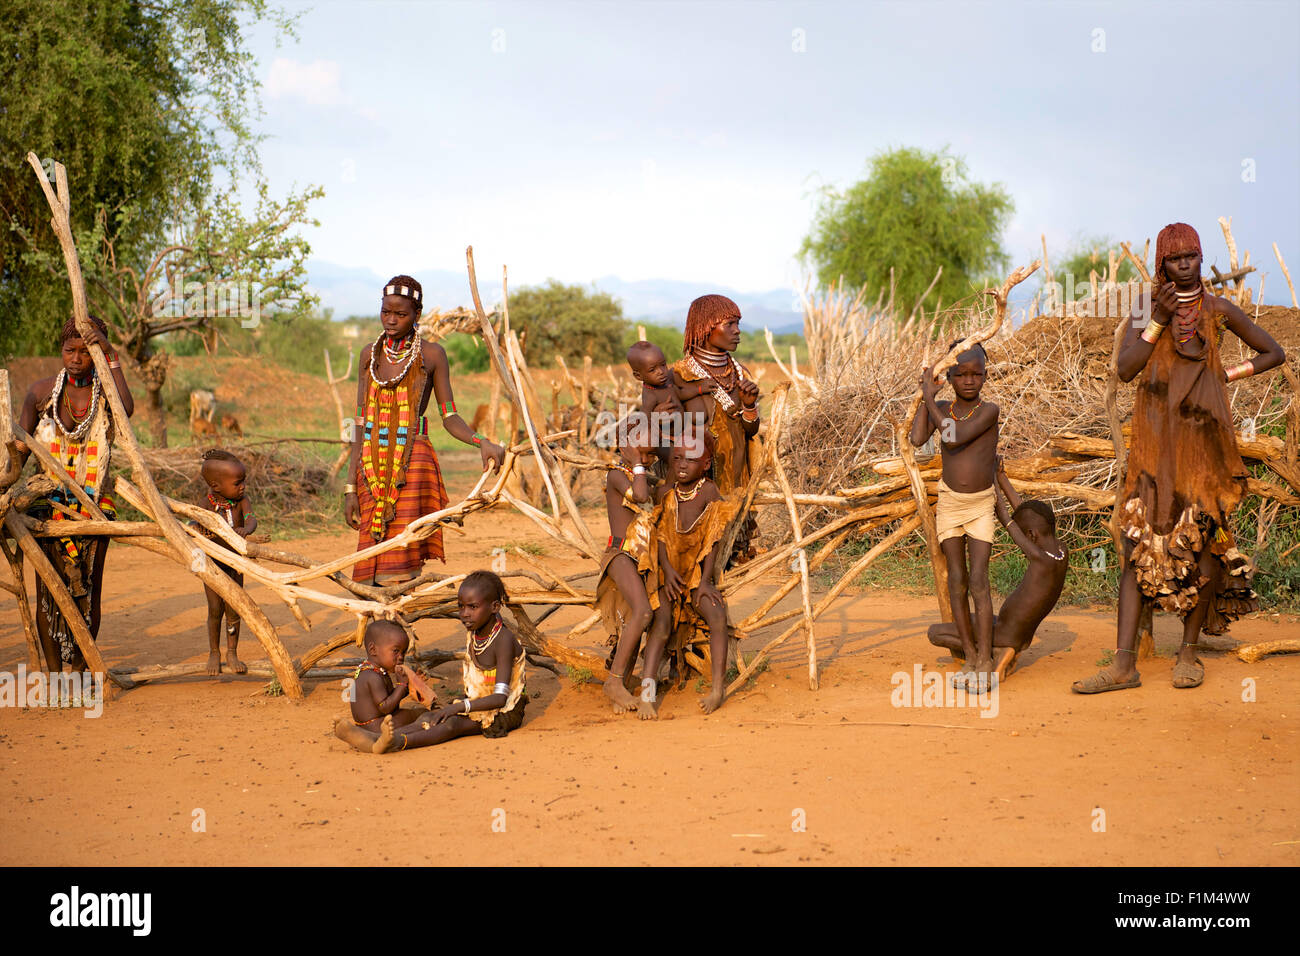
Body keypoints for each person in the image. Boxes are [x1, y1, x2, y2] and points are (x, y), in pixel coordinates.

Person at [1073, 223, 1285, 693]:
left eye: (1192, 256)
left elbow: (1275, 352)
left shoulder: (1218, 310)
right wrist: (1158, 321)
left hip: (1204, 445)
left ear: (1199, 258)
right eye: (1175, 258)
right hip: (1154, 446)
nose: (1185, 264)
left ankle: (1187, 654)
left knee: (1203, 547)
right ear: (1162, 266)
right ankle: (1123, 665)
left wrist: (1223, 375)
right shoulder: (1144, 312)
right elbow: (1126, 369)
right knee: (1135, 550)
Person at [343, 276, 506, 586]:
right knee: (370, 556)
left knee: (403, 552)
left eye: (400, 314)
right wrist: (350, 488)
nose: (390, 320)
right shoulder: (369, 355)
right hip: (370, 462)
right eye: (385, 312)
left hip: (412, 464)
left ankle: (399, 625)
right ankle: (379, 625)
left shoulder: (432, 355)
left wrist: (481, 441)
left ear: (417, 314)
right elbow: (360, 422)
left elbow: (449, 416)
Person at [15, 314, 134, 671]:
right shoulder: (40, 392)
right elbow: (18, 455)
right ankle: (53, 676)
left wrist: (110, 355)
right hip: (46, 508)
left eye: (87, 351)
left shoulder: (106, 393)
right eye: (71, 350)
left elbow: (126, 411)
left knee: (89, 592)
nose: (78, 358)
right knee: (47, 593)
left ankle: (81, 671)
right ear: (60, 350)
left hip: (94, 508)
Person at [336, 572, 527, 753]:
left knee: (452, 724)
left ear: (494, 607)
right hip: (477, 704)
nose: (465, 613)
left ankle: (396, 742)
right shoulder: (476, 632)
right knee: (430, 716)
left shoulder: (503, 640)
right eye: (461, 606)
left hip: (504, 711)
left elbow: (501, 698)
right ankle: (373, 738)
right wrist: (459, 705)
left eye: (473, 607)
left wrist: (458, 706)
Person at [909, 341, 1000, 690]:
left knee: (979, 579)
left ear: (986, 375)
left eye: (976, 373)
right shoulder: (943, 407)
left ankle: (987, 660)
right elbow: (919, 437)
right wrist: (926, 395)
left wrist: (929, 399)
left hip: (979, 504)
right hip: (949, 503)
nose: (969, 380)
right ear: (948, 376)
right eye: (960, 374)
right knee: (957, 581)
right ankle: (971, 656)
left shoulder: (988, 410)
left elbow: (953, 437)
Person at [927, 459, 1067, 682]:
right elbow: (1024, 513)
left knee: (935, 632)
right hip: (1020, 634)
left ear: (1031, 536)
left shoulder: (1039, 557)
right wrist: (1001, 476)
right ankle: (1006, 650)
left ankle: (996, 652)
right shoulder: (1059, 551)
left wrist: (990, 481)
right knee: (970, 619)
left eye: (1025, 533)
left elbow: (1005, 516)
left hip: (1005, 633)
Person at [638, 431, 741, 718]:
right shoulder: (665, 493)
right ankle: (647, 694)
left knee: (717, 614)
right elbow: (658, 537)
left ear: (706, 463)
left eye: (691, 459)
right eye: (678, 458)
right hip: (667, 574)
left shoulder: (709, 492)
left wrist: (706, 581)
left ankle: (718, 689)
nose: (682, 464)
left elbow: (713, 539)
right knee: (661, 622)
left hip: (696, 575)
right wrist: (667, 572)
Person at [594, 432, 657, 713]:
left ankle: (621, 681)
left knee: (635, 619)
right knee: (643, 612)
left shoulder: (643, 473)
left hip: (640, 559)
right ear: (623, 446)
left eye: (650, 455)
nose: (646, 460)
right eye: (640, 453)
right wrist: (638, 464)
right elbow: (641, 494)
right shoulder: (616, 475)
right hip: (620, 556)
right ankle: (615, 682)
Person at [195, 449, 257, 675]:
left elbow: (252, 520)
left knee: (234, 609)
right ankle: (214, 652)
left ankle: (232, 652)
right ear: (216, 485)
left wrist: (245, 529)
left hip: (234, 564)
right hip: (212, 565)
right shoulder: (206, 503)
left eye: (244, 482)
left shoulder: (242, 502)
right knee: (214, 609)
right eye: (238, 483)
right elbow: (194, 521)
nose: (243, 487)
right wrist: (196, 526)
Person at [332, 619, 438, 743]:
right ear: (373, 650)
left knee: (413, 714)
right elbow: (385, 707)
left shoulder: (372, 671)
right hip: (376, 727)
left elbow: (391, 698)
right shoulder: (372, 677)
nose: (401, 657)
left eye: (403, 652)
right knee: (419, 715)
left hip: (368, 726)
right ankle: (384, 738)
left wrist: (408, 686)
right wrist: (402, 684)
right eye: (396, 651)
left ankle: (361, 736)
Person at [626, 340, 682, 446]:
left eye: (663, 365)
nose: (661, 371)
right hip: (667, 439)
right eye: (652, 370)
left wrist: (699, 390)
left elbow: (682, 394)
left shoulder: (668, 381)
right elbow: (645, 420)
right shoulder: (650, 395)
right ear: (638, 376)